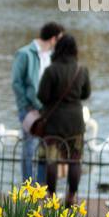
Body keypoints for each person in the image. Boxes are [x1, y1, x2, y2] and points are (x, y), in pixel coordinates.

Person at [36, 34, 90, 204]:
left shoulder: (51, 70)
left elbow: (42, 96)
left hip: (54, 122)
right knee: (75, 160)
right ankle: (71, 196)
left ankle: (51, 195)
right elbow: (86, 94)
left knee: (52, 159)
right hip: (75, 122)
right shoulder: (81, 70)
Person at [11, 21, 64, 184]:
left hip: (47, 110)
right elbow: (16, 83)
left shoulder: (52, 57)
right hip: (29, 109)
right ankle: (28, 186)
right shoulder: (25, 53)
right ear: (54, 38)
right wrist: (25, 107)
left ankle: (41, 187)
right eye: (60, 39)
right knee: (29, 148)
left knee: (45, 149)